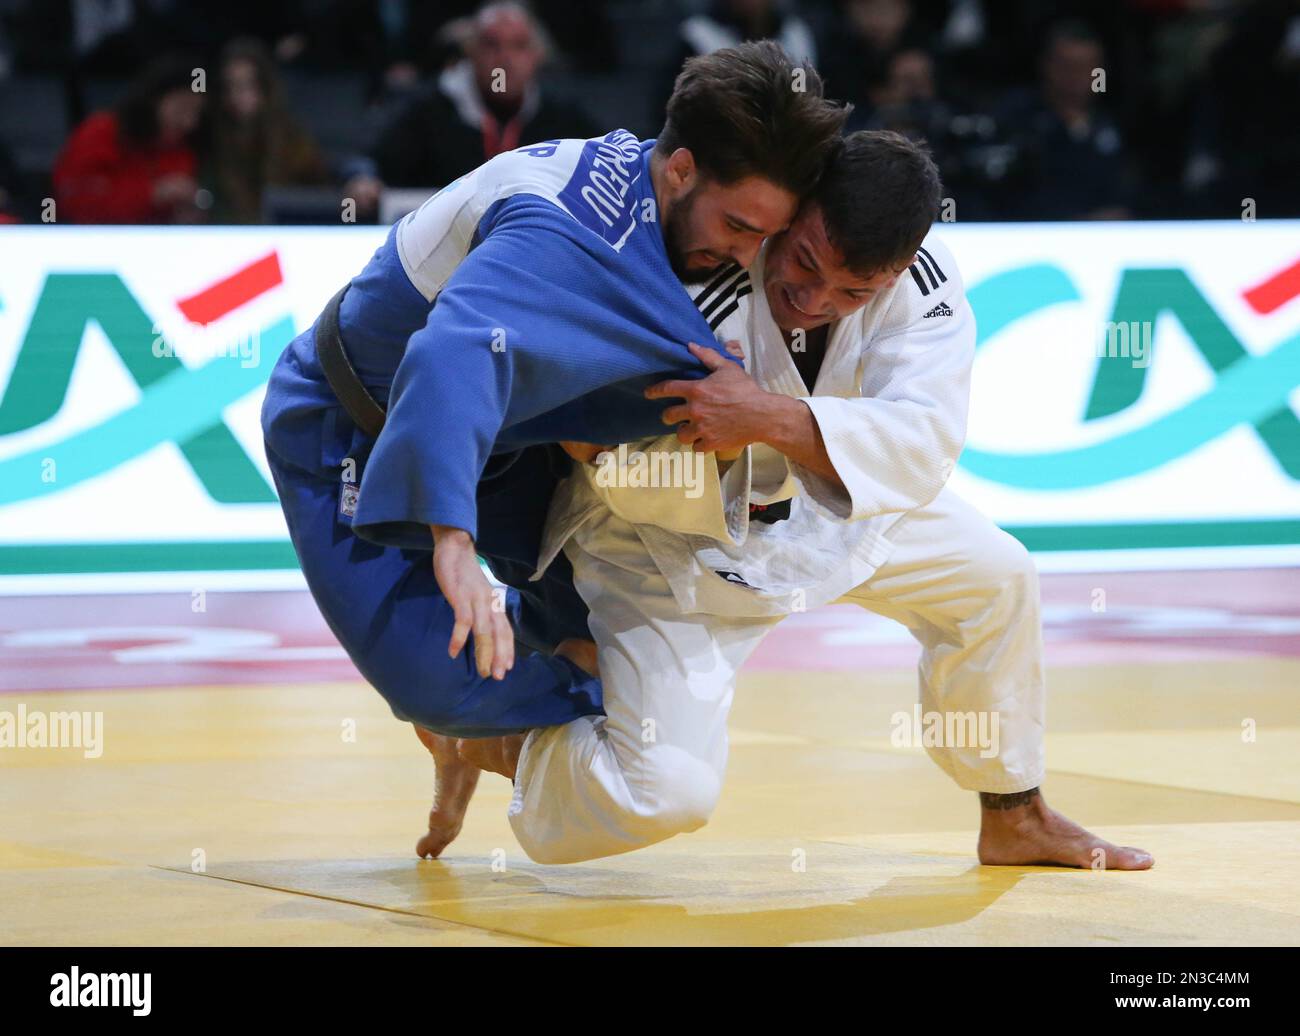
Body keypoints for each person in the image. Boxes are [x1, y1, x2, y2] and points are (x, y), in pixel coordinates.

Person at [462, 131, 1155, 873]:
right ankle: (502, 740)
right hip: (669, 551)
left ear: (895, 272)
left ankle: (1014, 814)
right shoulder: (695, 270)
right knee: (667, 793)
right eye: (805, 262)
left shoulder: (921, 282)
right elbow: (608, 464)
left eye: (853, 291)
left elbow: (923, 444)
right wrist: (724, 447)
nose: (815, 300)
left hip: (826, 512)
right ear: (795, 212)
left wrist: (762, 418)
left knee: (996, 576)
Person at [260, 42, 848, 858]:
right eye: (739, 226)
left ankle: (503, 724)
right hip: (356, 422)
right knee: (438, 679)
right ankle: (475, 737)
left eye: (767, 235)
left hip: (517, 438)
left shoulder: (654, 202)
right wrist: (452, 539)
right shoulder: (562, 234)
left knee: (597, 644)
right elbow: (452, 353)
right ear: (678, 170)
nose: (749, 255)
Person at [373, 1, 599, 189]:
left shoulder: (563, 117)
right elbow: (371, 166)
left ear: (537, 55)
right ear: (471, 52)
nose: (505, 58)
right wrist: (362, 180)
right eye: (492, 45)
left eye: (518, 46)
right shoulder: (426, 111)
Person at [52, 55, 205, 224]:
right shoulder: (100, 132)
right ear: (152, 101)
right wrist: (152, 195)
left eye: (195, 112)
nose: (189, 123)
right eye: (181, 109)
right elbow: (73, 202)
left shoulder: (182, 149)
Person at [205, 37, 330, 224]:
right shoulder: (210, 140)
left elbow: (317, 199)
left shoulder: (292, 141)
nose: (235, 96)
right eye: (229, 86)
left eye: (245, 85)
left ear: (264, 88)